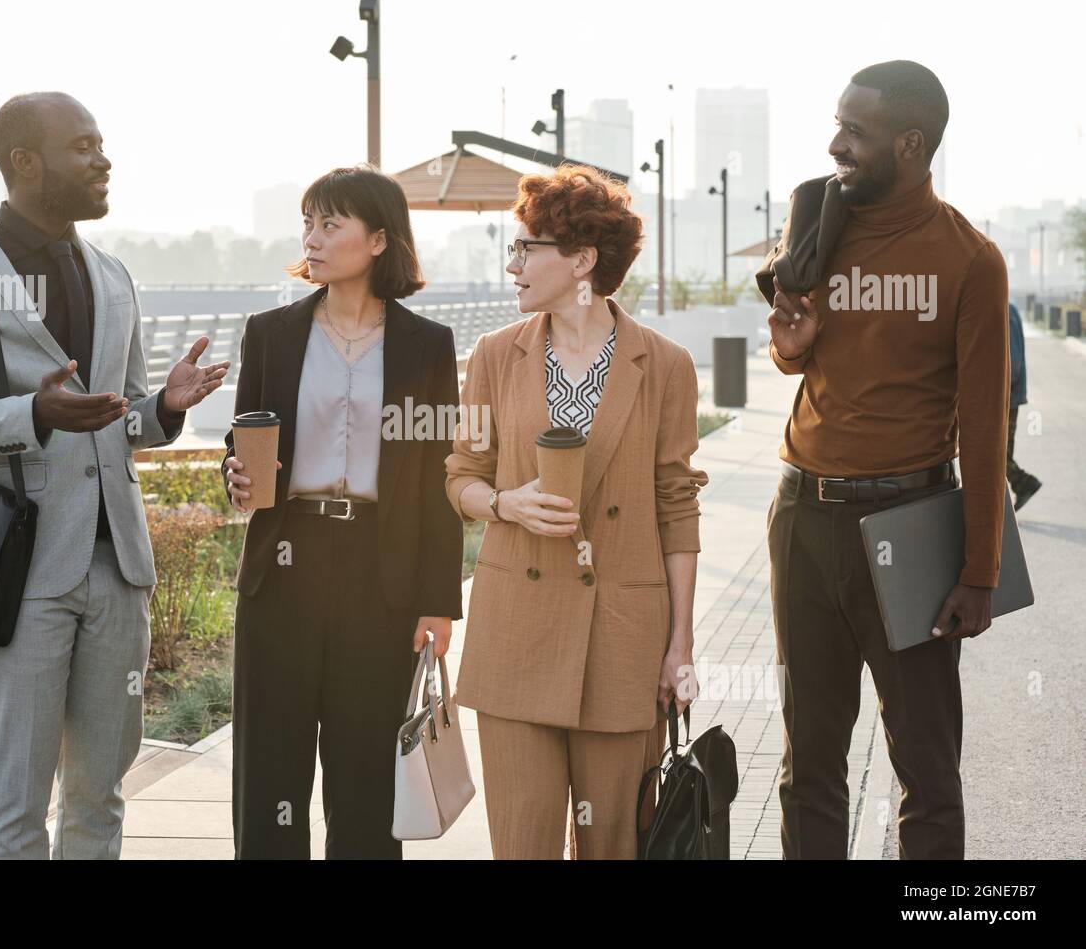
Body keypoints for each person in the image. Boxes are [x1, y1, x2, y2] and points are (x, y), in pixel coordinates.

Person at [0, 92, 228, 859]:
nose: (103, 160)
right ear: (24, 163)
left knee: (101, 797)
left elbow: (120, 420)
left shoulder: (113, 275)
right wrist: (28, 415)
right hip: (17, 573)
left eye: (101, 144)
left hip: (119, 571)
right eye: (83, 147)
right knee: (14, 808)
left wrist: (164, 408)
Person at [765, 61, 1009, 859]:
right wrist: (790, 349)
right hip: (803, 515)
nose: (835, 144)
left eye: (855, 132)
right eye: (837, 124)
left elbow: (983, 426)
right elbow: (805, 356)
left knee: (928, 772)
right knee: (809, 764)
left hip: (910, 526)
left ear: (911, 144)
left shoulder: (969, 259)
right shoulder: (817, 220)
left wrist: (980, 570)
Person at [445, 164, 708, 859]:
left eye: (527, 248)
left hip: (624, 640)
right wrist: (506, 503)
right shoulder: (494, 356)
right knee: (523, 845)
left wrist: (679, 645)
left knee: (615, 847)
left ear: (583, 260)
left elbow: (677, 508)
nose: (513, 264)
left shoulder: (668, 365)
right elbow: (461, 475)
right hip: (516, 637)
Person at [222, 165, 464, 859]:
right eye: (308, 222)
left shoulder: (426, 345)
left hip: (379, 576)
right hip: (283, 567)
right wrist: (235, 475)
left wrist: (437, 604)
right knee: (271, 770)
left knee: (365, 782)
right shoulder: (270, 334)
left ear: (379, 239)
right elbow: (246, 445)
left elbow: (436, 480)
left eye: (331, 223)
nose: (314, 237)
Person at [1006, 302, 1042, 509]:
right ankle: (1022, 486)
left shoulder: (1005, 311)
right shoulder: (1007, 308)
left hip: (1006, 399)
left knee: (997, 456)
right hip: (1007, 397)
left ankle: (1025, 484)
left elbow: (1013, 362)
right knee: (999, 455)